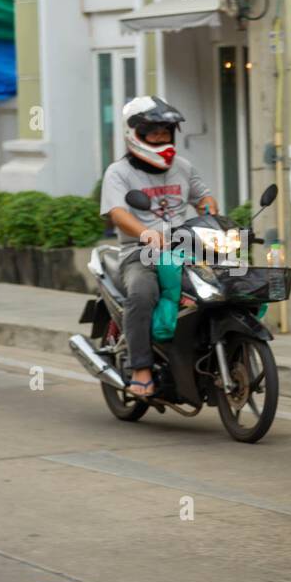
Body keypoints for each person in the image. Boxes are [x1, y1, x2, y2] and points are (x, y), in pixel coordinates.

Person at [99, 96, 218, 398]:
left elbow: (203, 197)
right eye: (154, 132)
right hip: (140, 253)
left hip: (184, 249)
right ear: (135, 133)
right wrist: (146, 233)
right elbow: (118, 213)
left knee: (217, 287)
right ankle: (140, 366)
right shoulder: (119, 173)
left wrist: (209, 210)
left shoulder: (183, 167)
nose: (162, 137)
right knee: (142, 293)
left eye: (166, 131)